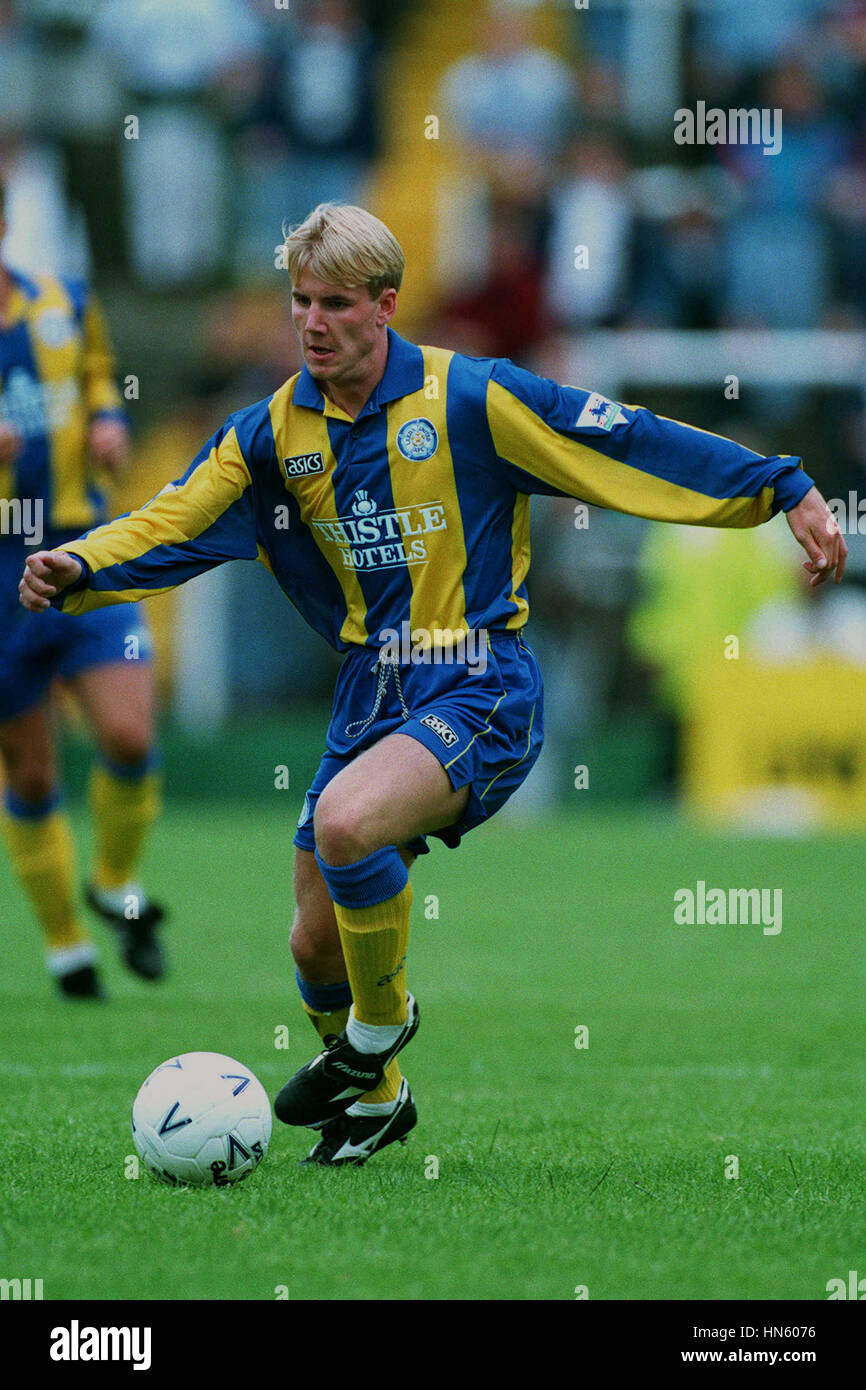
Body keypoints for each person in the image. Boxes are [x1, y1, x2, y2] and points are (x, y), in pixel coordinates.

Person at [18, 204, 845, 1162]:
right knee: (311, 944)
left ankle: (377, 1036)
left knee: (345, 825)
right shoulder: (270, 433)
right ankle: (379, 1102)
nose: (311, 323)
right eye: (298, 301)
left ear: (386, 305)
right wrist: (80, 563)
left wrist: (779, 484)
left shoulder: (471, 399)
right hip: (370, 692)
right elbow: (171, 516)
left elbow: (624, 439)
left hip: (480, 680)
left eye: (334, 303)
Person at [0, 180, 166, 1000]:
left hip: (80, 550)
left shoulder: (63, 300)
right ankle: (67, 944)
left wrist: (110, 422)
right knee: (31, 775)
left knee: (130, 736)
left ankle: (113, 881)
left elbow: (99, 378)